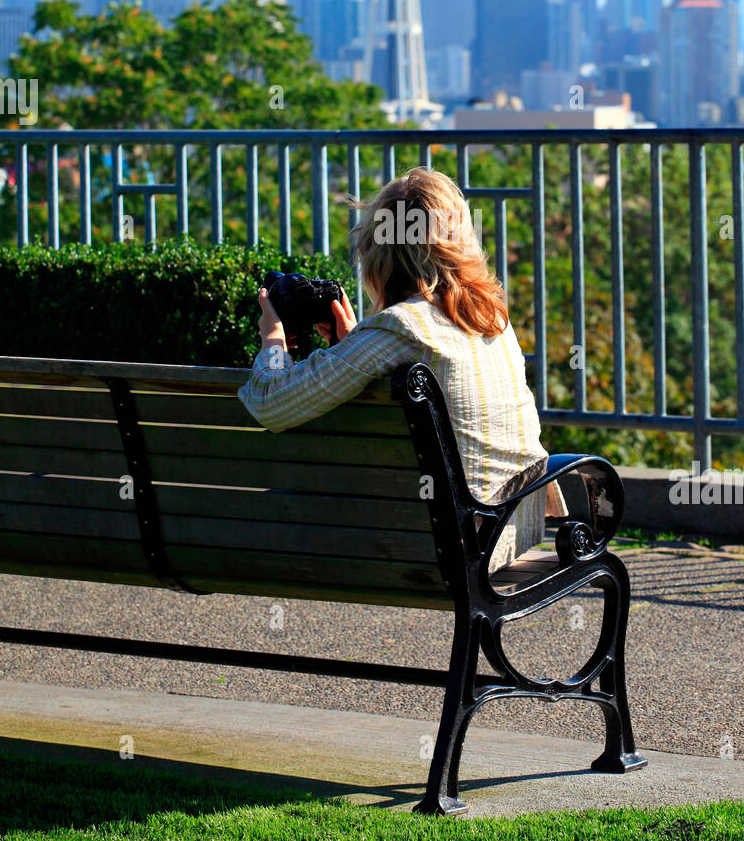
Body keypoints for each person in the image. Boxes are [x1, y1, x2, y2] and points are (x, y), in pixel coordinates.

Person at [238, 167, 566, 570]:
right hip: (506, 529)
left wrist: (274, 338)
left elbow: (272, 404)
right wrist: (354, 344)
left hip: (436, 544)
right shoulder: (491, 317)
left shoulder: (400, 327)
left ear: (380, 253)